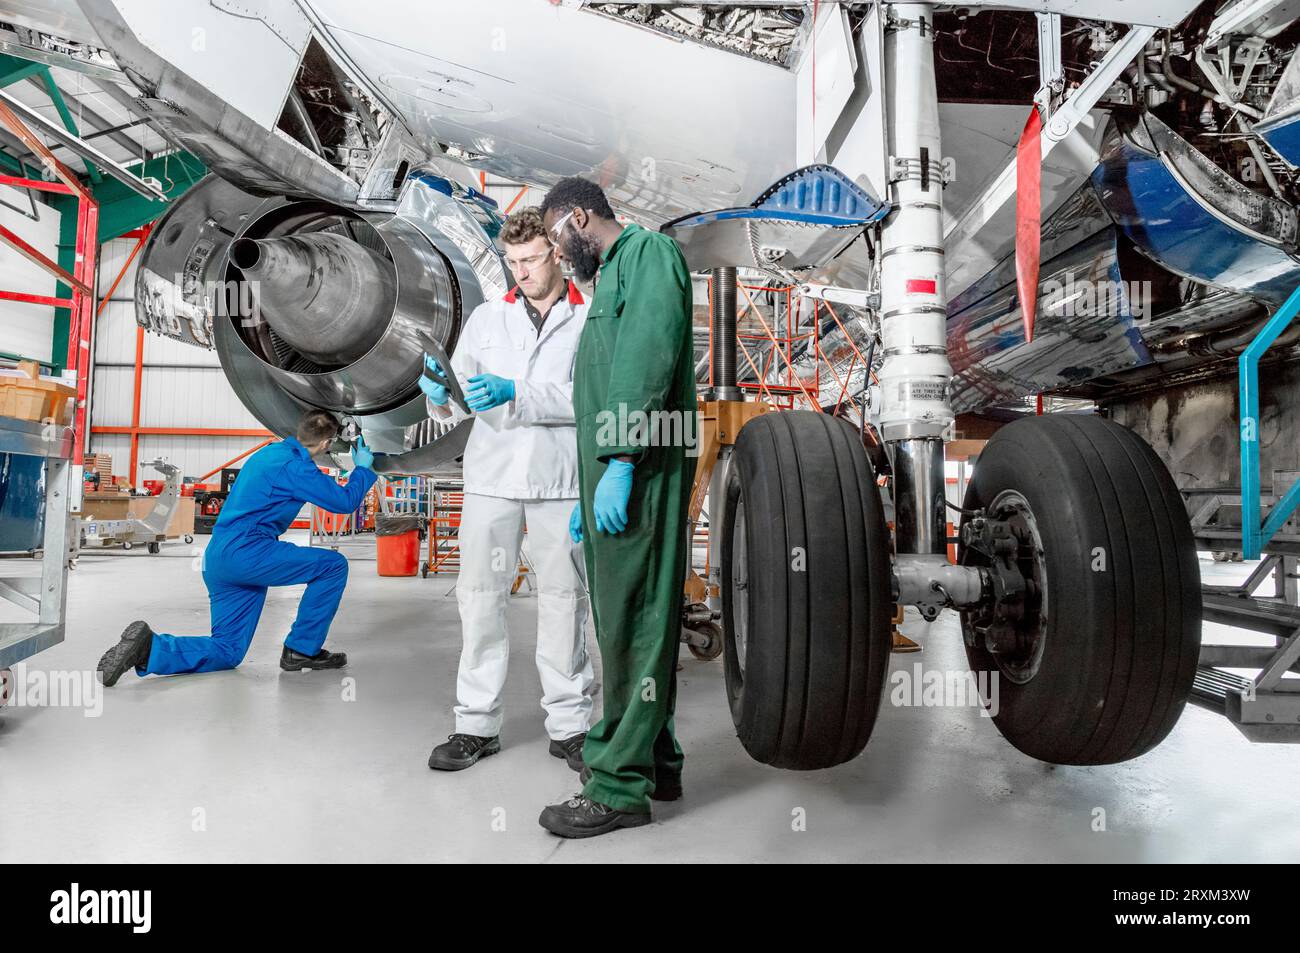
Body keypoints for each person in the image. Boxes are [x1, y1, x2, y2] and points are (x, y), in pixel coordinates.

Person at [537, 177, 696, 838]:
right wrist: (590, 483)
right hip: (615, 474)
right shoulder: (609, 280)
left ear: (580, 216)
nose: (555, 251)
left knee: (634, 620)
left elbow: (646, 357)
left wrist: (625, 460)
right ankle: (656, 759)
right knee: (629, 617)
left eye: (554, 237)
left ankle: (618, 784)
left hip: (643, 467)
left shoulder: (649, 255)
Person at [422, 206, 594, 773]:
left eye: (531, 259)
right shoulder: (486, 320)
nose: (521, 271)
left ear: (558, 255)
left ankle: (570, 726)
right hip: (492, 480)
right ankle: (476, 725)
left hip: (559, 481)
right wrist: (437, 393)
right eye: (512, 262)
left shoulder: (589, 316)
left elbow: (589, 400)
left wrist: (517, 393)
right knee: (479, 599)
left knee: (564, 602)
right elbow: (457, 405)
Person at [97, 410, 376, 684]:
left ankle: (149, 649)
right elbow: (344, 502)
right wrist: (363, 468)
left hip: (219, 555)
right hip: (248, 551)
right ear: (327, 444)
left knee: (228, 650)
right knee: (332, 566)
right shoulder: (297, 468)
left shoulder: (268, 453)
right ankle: (302, 649)